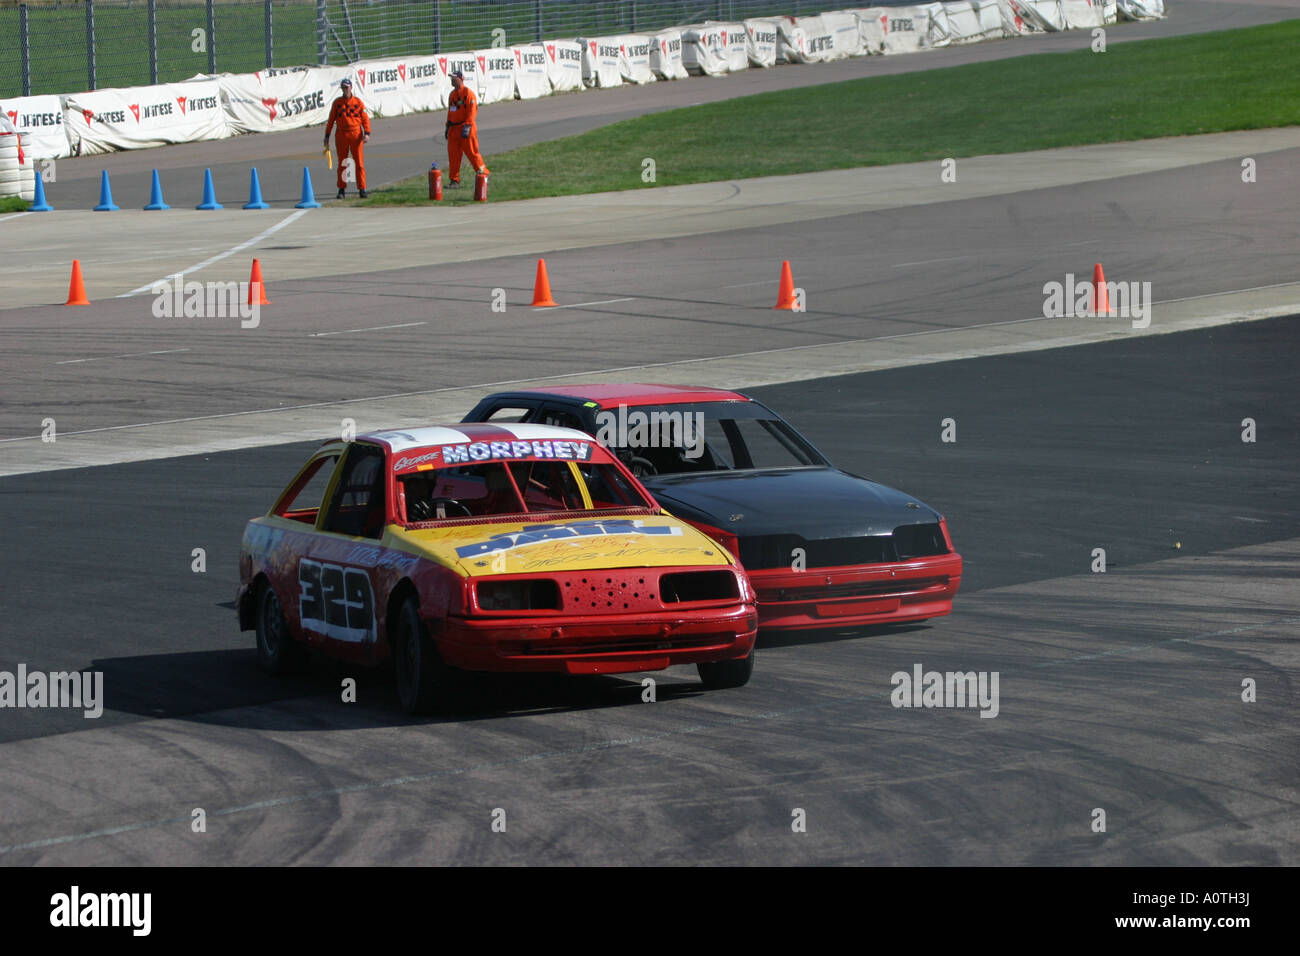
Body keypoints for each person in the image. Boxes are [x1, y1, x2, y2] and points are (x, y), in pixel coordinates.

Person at [325, 78, 370, 199]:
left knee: (359, 163)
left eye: (346, 87)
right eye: (343, 88)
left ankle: (362, 188)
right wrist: (327, 135)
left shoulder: (358, 102)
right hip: (341, 134)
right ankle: (341, 189)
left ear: (351, 88)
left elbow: (365, 119)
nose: (345, 90)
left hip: (356, 134)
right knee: (342, 163)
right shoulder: (337, 103)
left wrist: (367, 133)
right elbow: (331, 120)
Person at [444, 70, 489, 188]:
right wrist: (447, 125)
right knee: (453, 156)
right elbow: (450, 111)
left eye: (454, 78)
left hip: (466, 127)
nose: (452, 80)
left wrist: (468, 126)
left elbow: (472, 110)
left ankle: (483, 173)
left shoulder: (468, 93)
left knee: (472, 153)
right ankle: (454, 180)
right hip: (454, 129)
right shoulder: (452, 95)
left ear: (460, 79)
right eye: (451, 78)